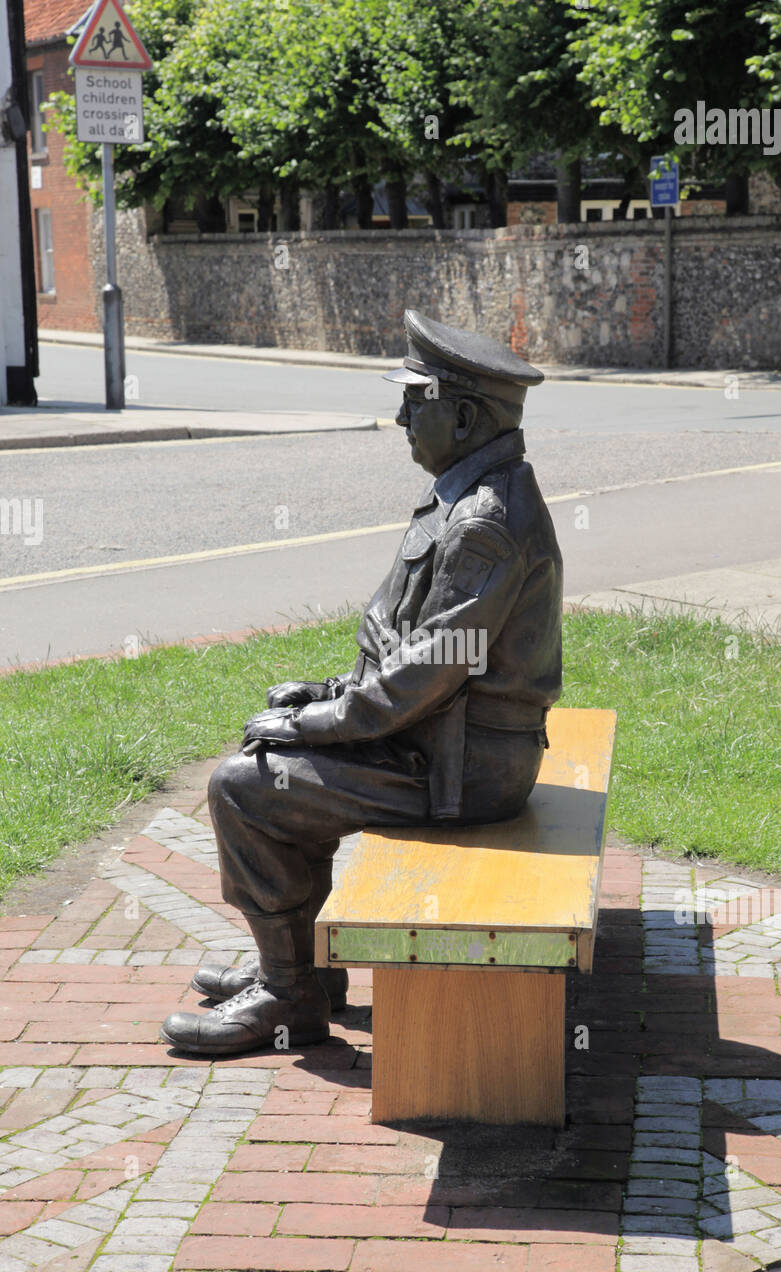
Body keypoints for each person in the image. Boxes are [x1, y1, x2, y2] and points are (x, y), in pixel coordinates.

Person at [160, 309, 563, 1055]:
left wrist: (319, 724)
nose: (401, 414)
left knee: (246, 789)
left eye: (418, 400)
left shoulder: (485, 522)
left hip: (460, 768)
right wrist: (323, 692)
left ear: (466, 415)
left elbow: (424, 676)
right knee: (278, 774)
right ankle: (307, 968)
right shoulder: (466, 493)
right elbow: (405, 646)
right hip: (441, 741)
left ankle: (290, 997)